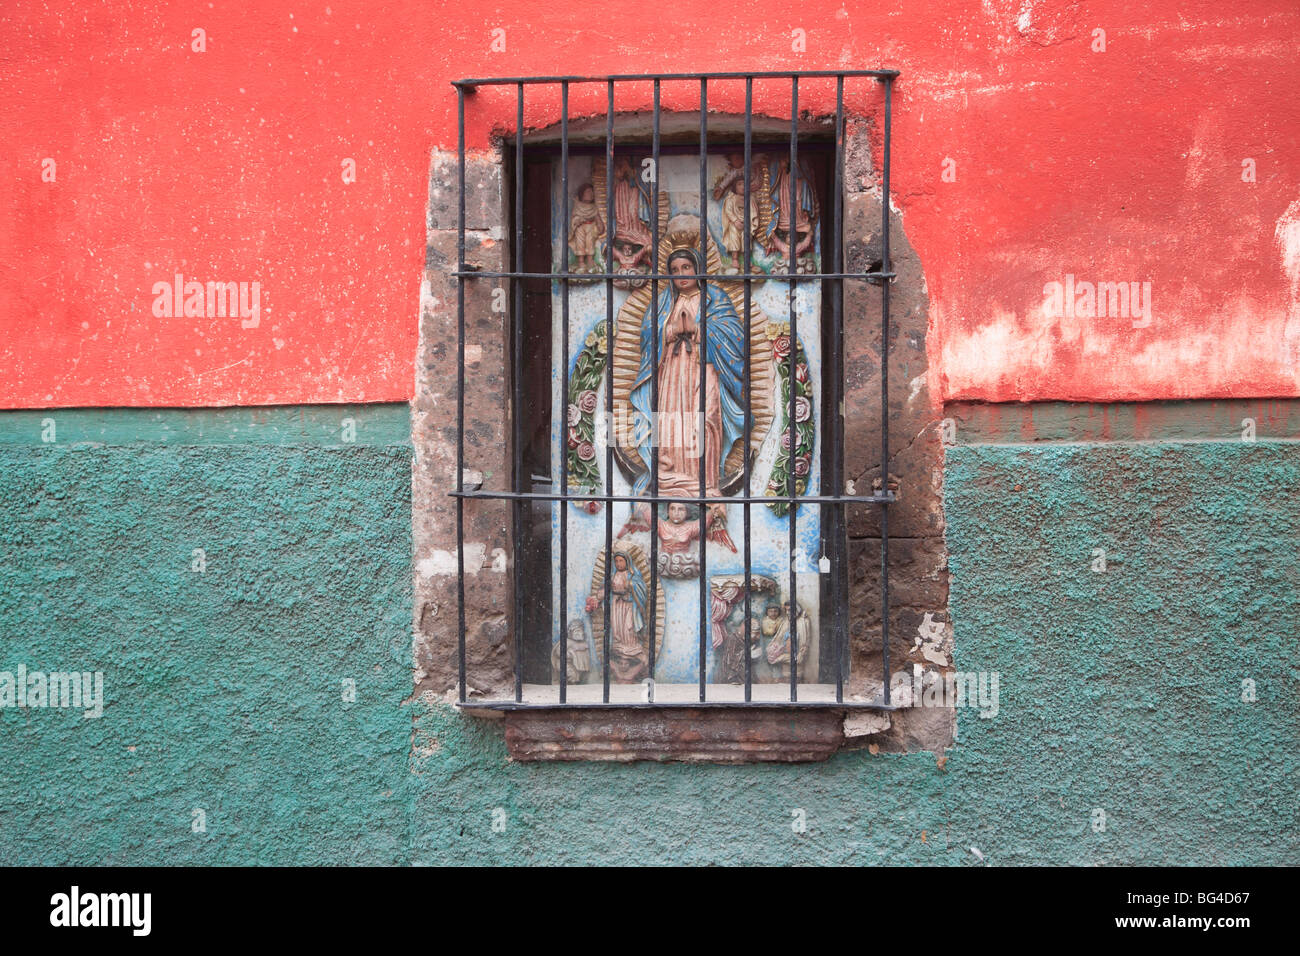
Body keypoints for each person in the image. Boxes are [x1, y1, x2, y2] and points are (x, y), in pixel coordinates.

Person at [584, 552, 649, 682]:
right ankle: (619, 646)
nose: (619, 564)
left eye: (621, 561)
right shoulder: (612, 576)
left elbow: (642, 592)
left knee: (628, 628)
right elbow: (604, 590)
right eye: (617, 561)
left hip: (629, 607)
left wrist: (630, 589)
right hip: (616, 607)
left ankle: (631, 647)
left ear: (627, 562)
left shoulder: (633, 577)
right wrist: (597, 598)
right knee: (617, 628)